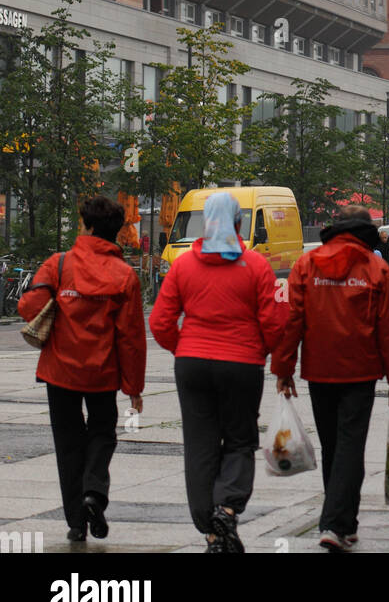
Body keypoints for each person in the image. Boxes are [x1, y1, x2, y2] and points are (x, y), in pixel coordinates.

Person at [149, 191, 288, 553]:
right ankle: (227, 507)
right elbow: (274, 322)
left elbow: (160, 321)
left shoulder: (182, 266)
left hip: (192, 365)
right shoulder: (256, 265)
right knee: (240, 440)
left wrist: (182, 348)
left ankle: (210, 528)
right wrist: (264, 352)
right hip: (241, 364)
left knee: (200, 445)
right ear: (238, 224)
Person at [273, 205, 389, 553]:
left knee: (333, 446)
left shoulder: (307, 264)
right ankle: (335, 523)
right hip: (360, 372)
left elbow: (293, 321)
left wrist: (284, 368)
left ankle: (343, 524)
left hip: (319, 370)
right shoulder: (375, 268)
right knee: (350, 447)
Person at [18, 196, 146, 544]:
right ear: (115, 232)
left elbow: (28, 306)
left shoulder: (59, 265)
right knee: (102, 434)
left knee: (68, 443)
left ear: (87, 226)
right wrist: (134, 386)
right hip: (102, 374)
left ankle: (76, 522)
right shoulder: (124, 276)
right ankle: (94, 492)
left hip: (59, 372)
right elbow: (131, 337)